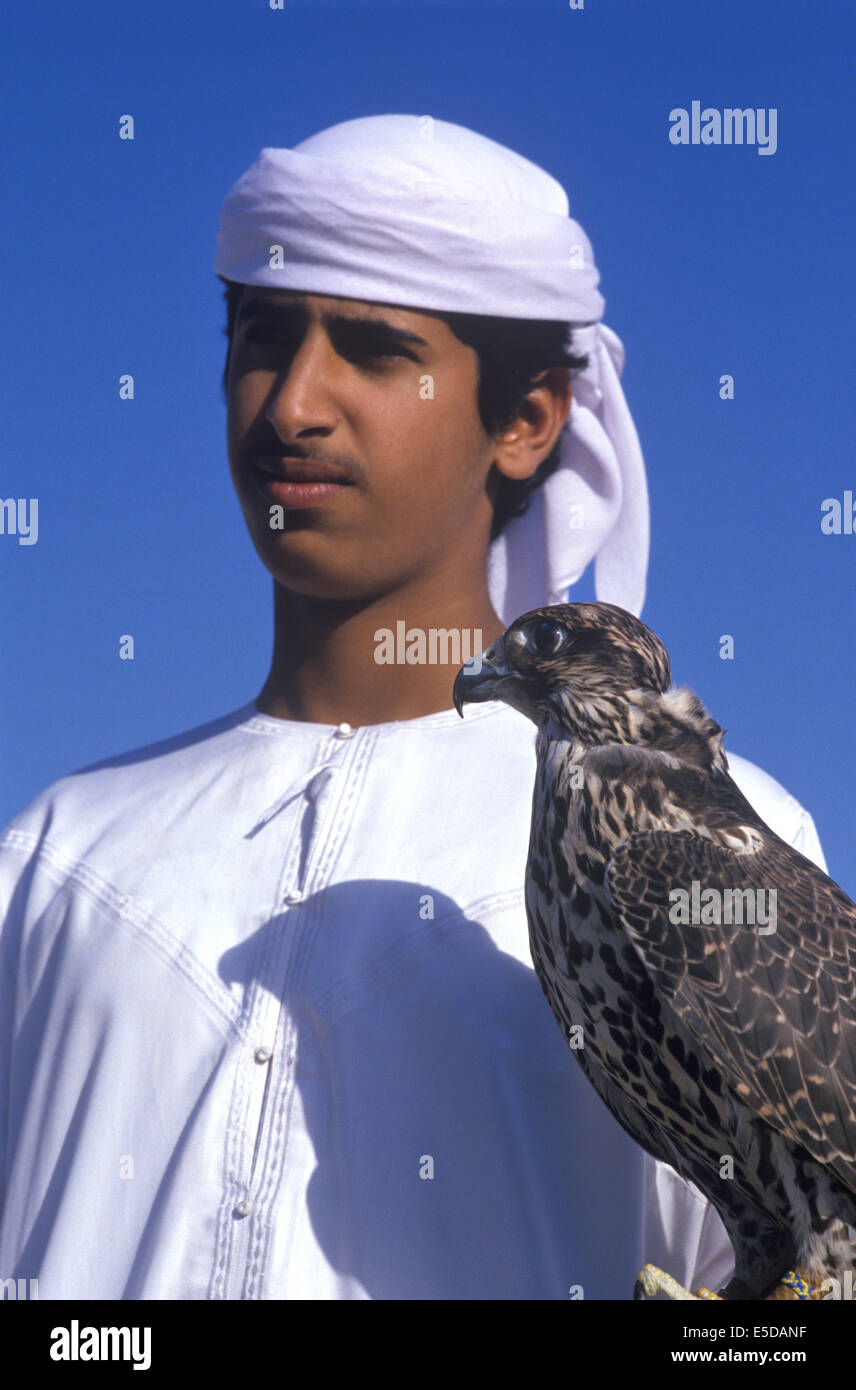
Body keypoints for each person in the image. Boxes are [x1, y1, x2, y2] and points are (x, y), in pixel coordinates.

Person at [0, 115, 827, 1300]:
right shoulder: (53, 853)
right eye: (261, 338)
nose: (293, 404)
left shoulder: (726, 834)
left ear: (528, 416)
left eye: (376, 351)